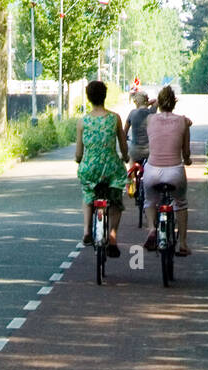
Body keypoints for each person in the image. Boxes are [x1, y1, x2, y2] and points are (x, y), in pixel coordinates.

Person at [75, 80, 128, 256]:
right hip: (111, 168)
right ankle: (112, 235)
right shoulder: (115, 118)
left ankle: (86, 231)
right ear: (104, 96)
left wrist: (80, 160)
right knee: (115, 199)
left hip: (90, 169)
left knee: (88, 193)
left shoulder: (83, 121)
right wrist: (126, 157)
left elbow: (78, 153)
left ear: (88, 98)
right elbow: (123, 145)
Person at [141, 85, 192, 256]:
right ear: (174, 102)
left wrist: (152, 105)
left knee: (149, 201)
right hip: (174, 172)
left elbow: (151, 118)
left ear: (160, 102)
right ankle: (183, 243)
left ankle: (151, 230)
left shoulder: (150, 119)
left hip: (152, 171)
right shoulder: (183, 121)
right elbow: (186, 153)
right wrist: (188, 160)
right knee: (181, 203)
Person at [124, 91, 156, 168]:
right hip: (149, 151)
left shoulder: (132, 113)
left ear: (136, 102)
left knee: (131, 162)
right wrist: (147, 103)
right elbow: (156, 101)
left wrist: (125, 137)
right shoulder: (151, 112)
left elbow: (124, 132)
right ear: (146, 101)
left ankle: (133, 178)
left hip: (135, 150)